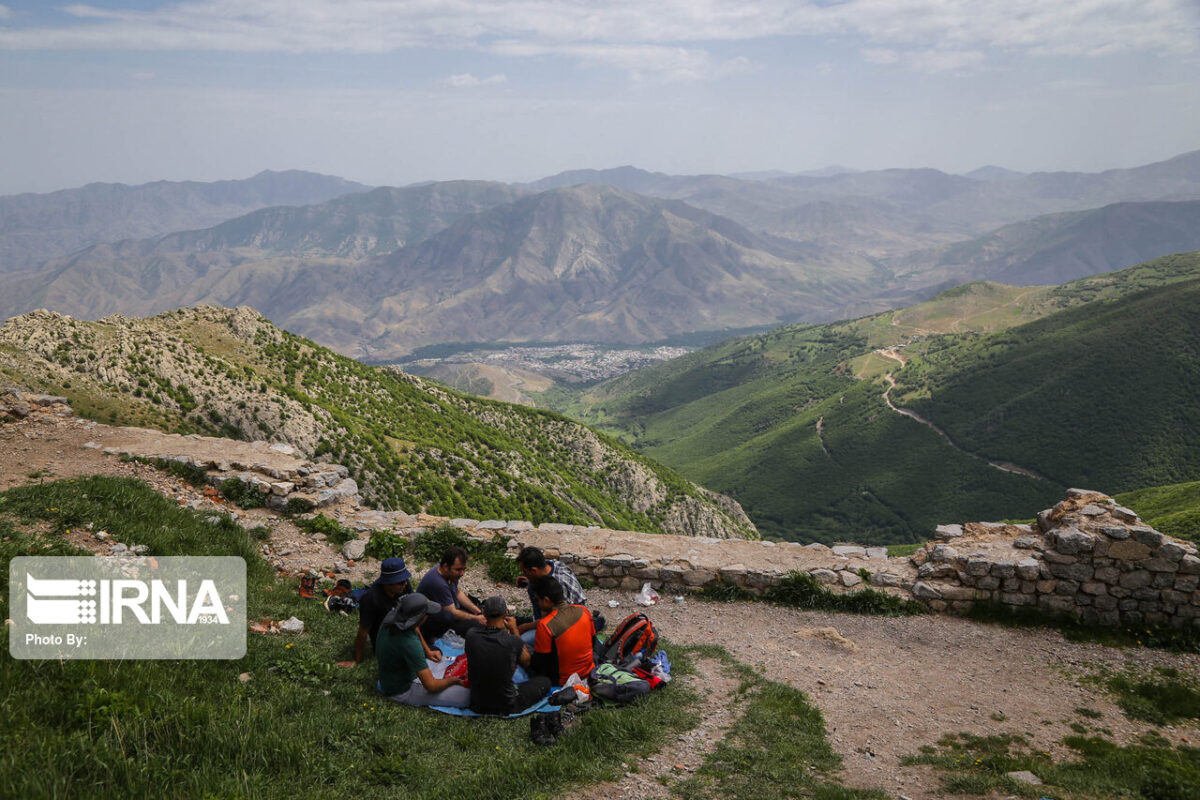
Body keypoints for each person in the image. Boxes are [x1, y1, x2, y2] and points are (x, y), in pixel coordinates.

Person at [337, 557, 440, 667]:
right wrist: (357, 660)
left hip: (404, 627)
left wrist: (427, 650)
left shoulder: (404, 585)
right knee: (415, 660)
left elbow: (412, 620)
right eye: (400, 582)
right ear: (387, 583)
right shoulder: (371, 599)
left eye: (406, 579)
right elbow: (363, 632)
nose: (405, 584)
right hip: (387, 639)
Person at [378, 593, 470, 708]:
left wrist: (427, 651)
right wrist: (454, 680)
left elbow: (415, 628)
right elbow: (431, 686)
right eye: (427, 614)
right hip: (402, 690)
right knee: (466, 697)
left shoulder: (393, 617)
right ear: (421, 618)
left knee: (440, 661)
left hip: (389, 678)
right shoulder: (409, 643)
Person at [464, 596, 552, 716]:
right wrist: (514, 629)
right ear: (506, 613)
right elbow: (526, 661)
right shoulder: (512, 641)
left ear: (484, 613)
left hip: (476, 704)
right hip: (507, 705)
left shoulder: (471, 635)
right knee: (545, 681)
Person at [530, 576, 596, 686]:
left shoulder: (545, 625)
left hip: (562, 681)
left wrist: (516, 634)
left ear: (546, 600)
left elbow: (539, 665)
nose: (537, 603)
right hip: (588, 671)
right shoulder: (583, 610)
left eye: (537, 600)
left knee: (523, 648)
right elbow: (593, 642)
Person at [417, 546, 486, 643]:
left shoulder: (447, 573)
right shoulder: (438, 583)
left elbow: (457, 592)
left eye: (464, 569)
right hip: (433, 619)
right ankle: (433, 637)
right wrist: (476, 619)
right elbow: (452, 612)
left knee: (474, 604)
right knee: (476, 627)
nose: (462, 573)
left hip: (447, 606)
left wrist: (477, 611)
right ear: (446, 567)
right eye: (458, 570)